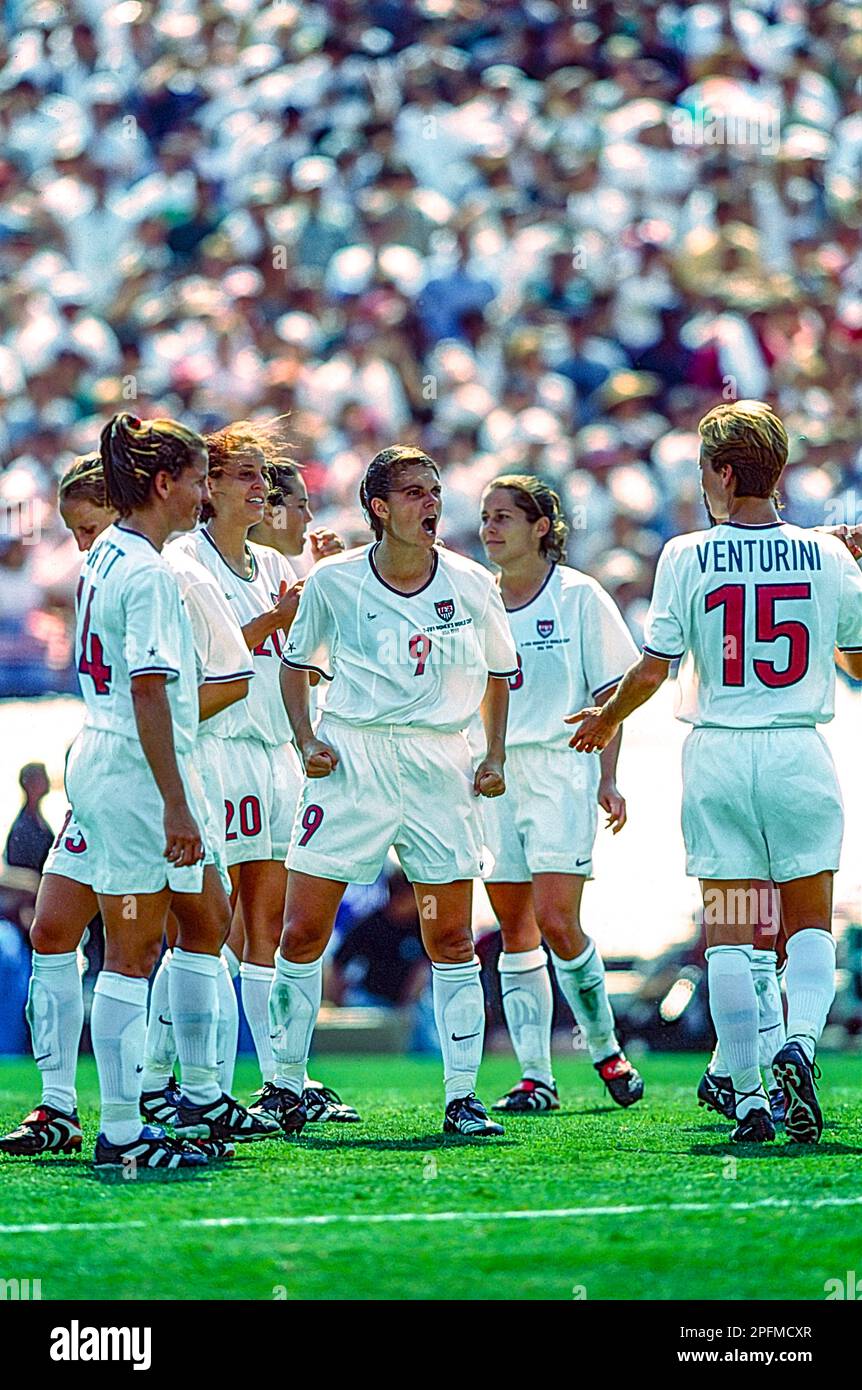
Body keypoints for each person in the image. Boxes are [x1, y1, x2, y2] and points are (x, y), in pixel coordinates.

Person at [568, 400, 862, 1144]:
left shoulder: (685, 555)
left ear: (725, 473)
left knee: (731, 933)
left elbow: (657, 667)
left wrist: (608, 716)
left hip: (721, 751)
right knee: (806, 923)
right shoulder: (828, 555)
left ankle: (753, 1093)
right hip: (799, 748)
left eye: (706, 468)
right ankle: (799, 1041)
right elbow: (857, 659)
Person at [0, 451, 272, 1158]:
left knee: (193, 922)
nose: (82, 541)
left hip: (144, 764)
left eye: (89, 525)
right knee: (105, 939)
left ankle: (178, 1092)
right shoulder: (138, 565)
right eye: (74, 530)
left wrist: (165, 738)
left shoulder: (145, 566)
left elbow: (228, 675)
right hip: (137, 770)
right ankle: (108, 1117)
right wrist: (162, 769)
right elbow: (147, 688)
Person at [266, 444, 518, 1138]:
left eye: (434, 490)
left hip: (438, 761)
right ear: (378, 508)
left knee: (451, 936)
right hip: (354, 756)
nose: (430, 503)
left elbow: (500, 672)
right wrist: (306, 741)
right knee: (302, 929)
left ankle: (463, 1097)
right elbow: (295, 667)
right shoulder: (334, 583)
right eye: (412, 492)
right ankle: (284, 1083)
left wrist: (492, 752)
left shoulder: (471, 583)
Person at [168, 424, 358, 1125]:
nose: (260, 488)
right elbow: (194, 669)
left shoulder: (274, 567)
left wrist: (327, 591)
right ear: (209, 486)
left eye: (262, 477)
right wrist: (269, 621)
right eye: (244, 475)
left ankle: (285, 1078)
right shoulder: (184, 562)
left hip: (275, 755)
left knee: (268, 924)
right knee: (205, 925)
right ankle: (192, 1082)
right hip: (216, 750)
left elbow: (301, 663)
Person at [477, 475, 644, 1113]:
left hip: (559, 767)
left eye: (504, 518)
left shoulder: (578, 596)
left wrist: (607, 776)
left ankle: (604, 1046)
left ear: (541, 526)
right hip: (491, 776)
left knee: (556, 919)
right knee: (513, 927)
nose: (490, 528)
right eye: (486, 517)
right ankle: (534, 1077)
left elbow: (614, 693)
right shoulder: (472, 597)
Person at [4, 763, 54, 873]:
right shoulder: (23, 827)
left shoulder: (37, 819)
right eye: (42, 777)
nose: (47, 781)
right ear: (30, 783)